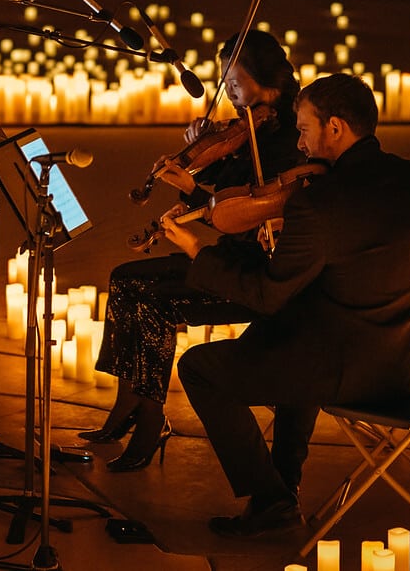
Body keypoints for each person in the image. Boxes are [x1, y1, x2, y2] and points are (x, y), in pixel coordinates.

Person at [167, 73, 410, 537]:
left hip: (348, 369)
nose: (300, 143)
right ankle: (285, 486)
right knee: (285, 331)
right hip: (396, 360)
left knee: (200, 368)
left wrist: (196, 252)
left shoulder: (320, 203)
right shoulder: (405, 178)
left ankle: (270, 499)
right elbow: (350, 258)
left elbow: (267, 293)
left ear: (336, 129)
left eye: (305, 129)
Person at [82, 30, 303, 471]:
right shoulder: (246, 130)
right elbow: (221, 186)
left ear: (271, 85)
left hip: (255, 270)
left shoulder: (288, 142)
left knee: (152, 303)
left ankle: (150, 421)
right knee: (125, 280)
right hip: (230, 258)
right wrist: (203, 146)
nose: (230, 92)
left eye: (236, 83)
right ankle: (127, 404)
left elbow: (236, 212)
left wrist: (193, 187)